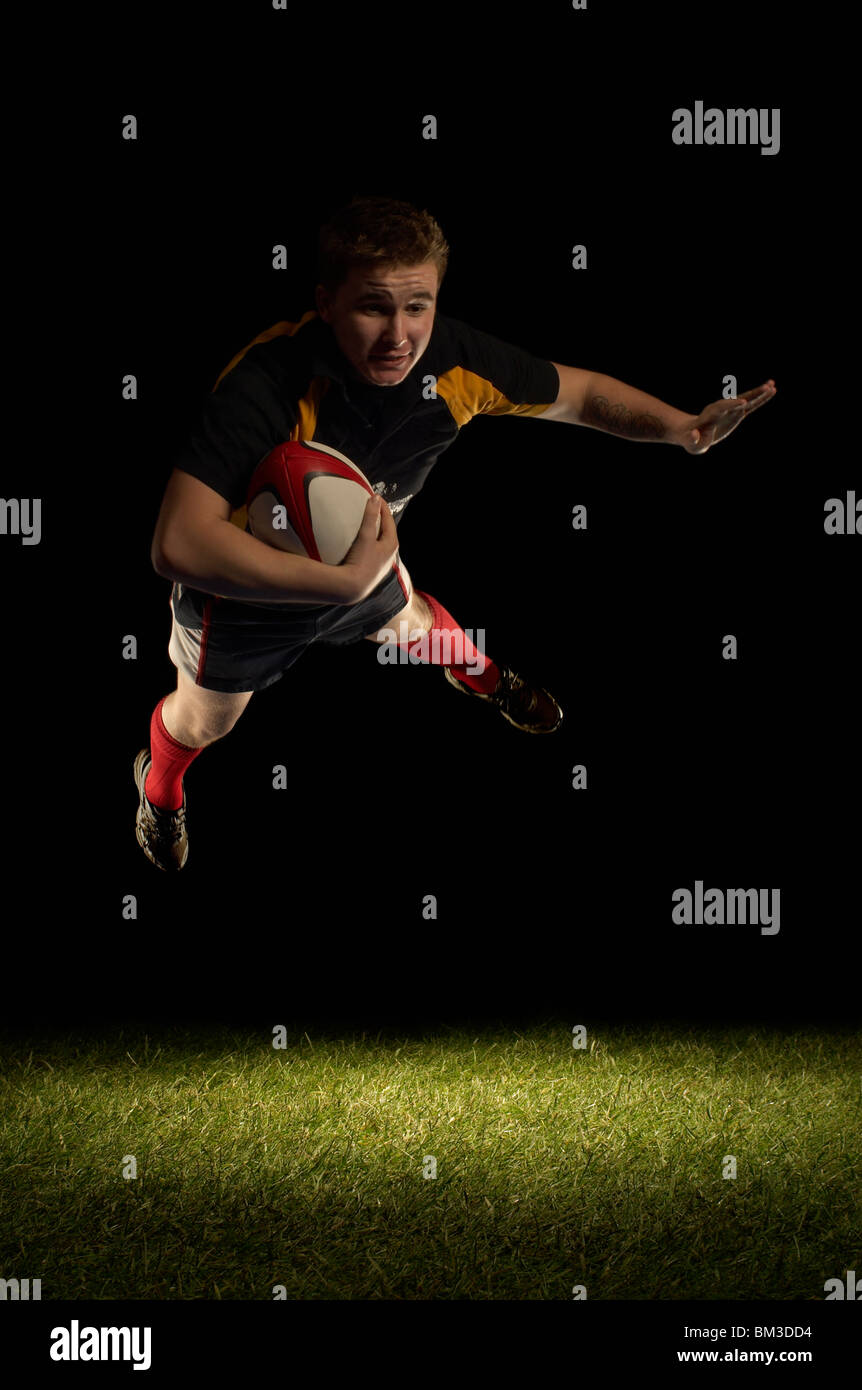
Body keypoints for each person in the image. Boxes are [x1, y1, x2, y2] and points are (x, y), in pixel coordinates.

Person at [135, 195, 776, 871]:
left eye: (418, 305)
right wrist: (342, 580)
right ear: (325, 302)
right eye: (373, 306)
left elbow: (581, 395)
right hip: (242, 599)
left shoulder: (456, 362)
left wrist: (683, 428)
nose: (399, 335)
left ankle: (489, 679)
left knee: (412, 620)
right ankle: (160, 790)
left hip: (365, 569)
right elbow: (177, 544)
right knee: (206, 724)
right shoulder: (267, 384)